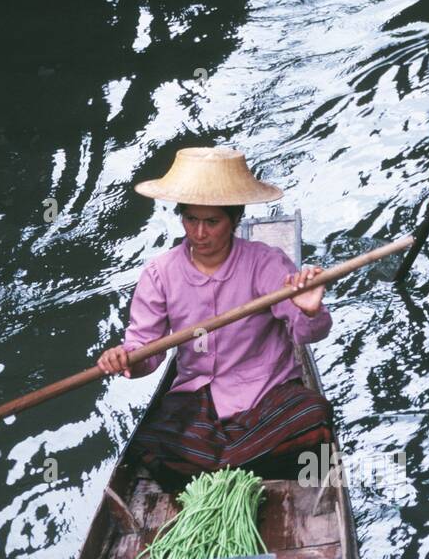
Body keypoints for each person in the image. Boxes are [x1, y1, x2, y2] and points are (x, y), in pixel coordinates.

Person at [97, 146, 333, 484]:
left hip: (266, 390)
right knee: (147, 444)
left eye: (212, 222)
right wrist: (126, 359)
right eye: (190, 219)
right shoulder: (159, 273)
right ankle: (249, 464)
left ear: (234, 220)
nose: (199, 233)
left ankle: (217, 468)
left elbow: (305, 333)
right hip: (198, 397)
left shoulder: (266, 262)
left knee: (314, 416)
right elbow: (145, 351)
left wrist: (309, 311)